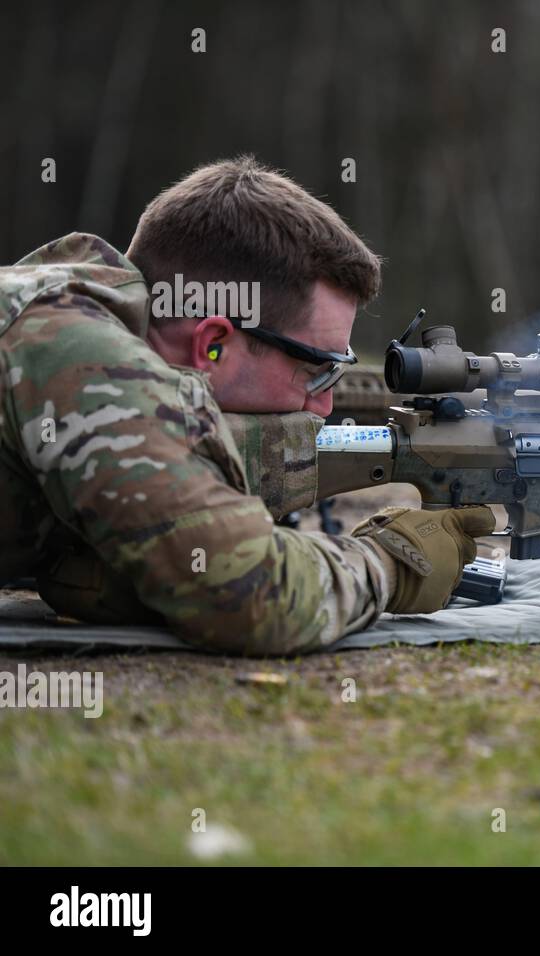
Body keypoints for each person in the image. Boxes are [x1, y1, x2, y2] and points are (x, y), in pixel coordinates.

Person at [0, 156, 494, 655]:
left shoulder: (64, 313)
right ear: (212, 344)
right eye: (318, 370)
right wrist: (391, 564)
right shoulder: (81, 356)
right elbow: (254, 598)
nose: (323, 406)